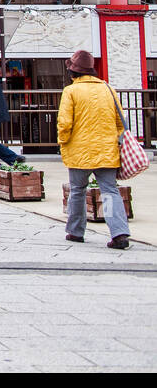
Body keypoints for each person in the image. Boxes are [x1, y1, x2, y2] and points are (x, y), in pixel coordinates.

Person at [57, 50, 131, 249]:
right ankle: (118, 233)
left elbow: (64, 123)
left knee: (78, 191)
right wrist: (114, 140)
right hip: (107, 150)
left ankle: (75, 231)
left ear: (73, 73)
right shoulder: (108, 89)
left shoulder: (71, 91)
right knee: (109, 191)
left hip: (79, 150)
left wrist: (63, 142)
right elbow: (120, 122)